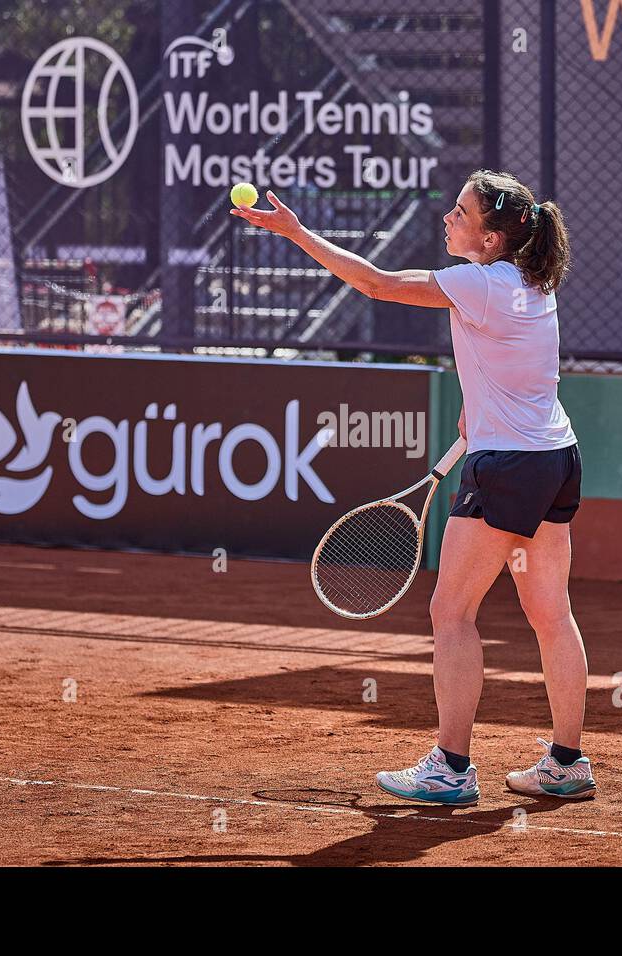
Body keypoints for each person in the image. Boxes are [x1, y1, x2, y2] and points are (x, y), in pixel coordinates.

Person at [231, 169, 595, 804]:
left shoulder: (479, 284)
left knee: (450, 613)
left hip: (507, 467)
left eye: (461, 213)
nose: (447, 219)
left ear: (491, 239)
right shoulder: (534, 283)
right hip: (555, 458)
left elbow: (374, 283)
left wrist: (295, 232)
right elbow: (514, 367)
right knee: (551, 613)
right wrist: (477, 408)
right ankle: (567, 762)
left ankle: (451, 768)